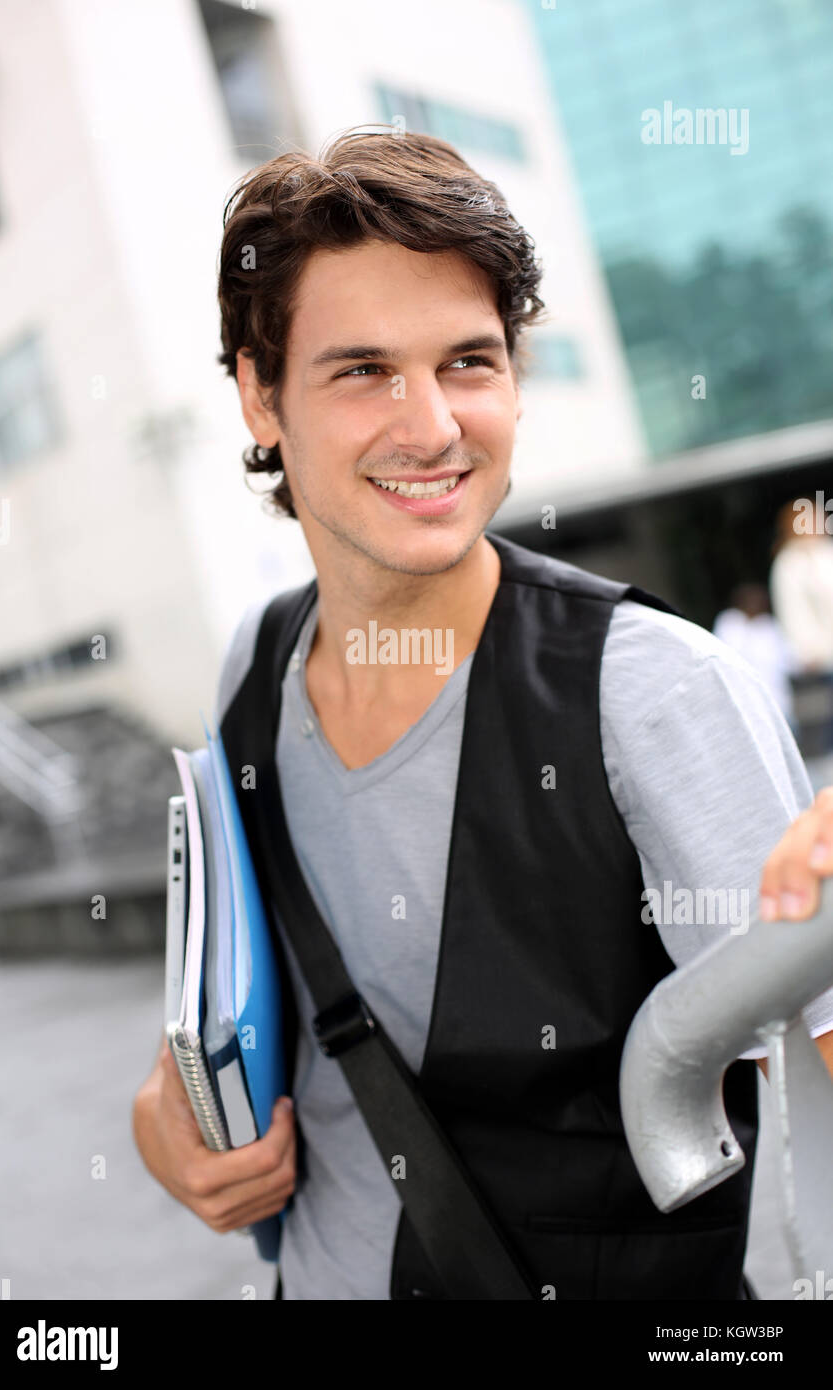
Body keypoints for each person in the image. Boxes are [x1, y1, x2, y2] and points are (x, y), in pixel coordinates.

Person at [132, 126, 833, 1300]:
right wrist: (168, 1119)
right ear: (260, 396)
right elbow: (246, 1011)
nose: (432, 424)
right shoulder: (252, 667)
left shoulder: (647, 688)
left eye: (467, 361)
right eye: (362, 370)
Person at [770, 498, 833, 755]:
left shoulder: (826, 552)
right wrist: (805, 650)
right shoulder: (789, 562)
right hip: (819, 660)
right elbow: (792, 612)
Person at [713, 582, 798, 730]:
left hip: (776, 702)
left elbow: (789, 661)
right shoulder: (730, 624)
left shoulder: (770, 627)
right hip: (742, 703)